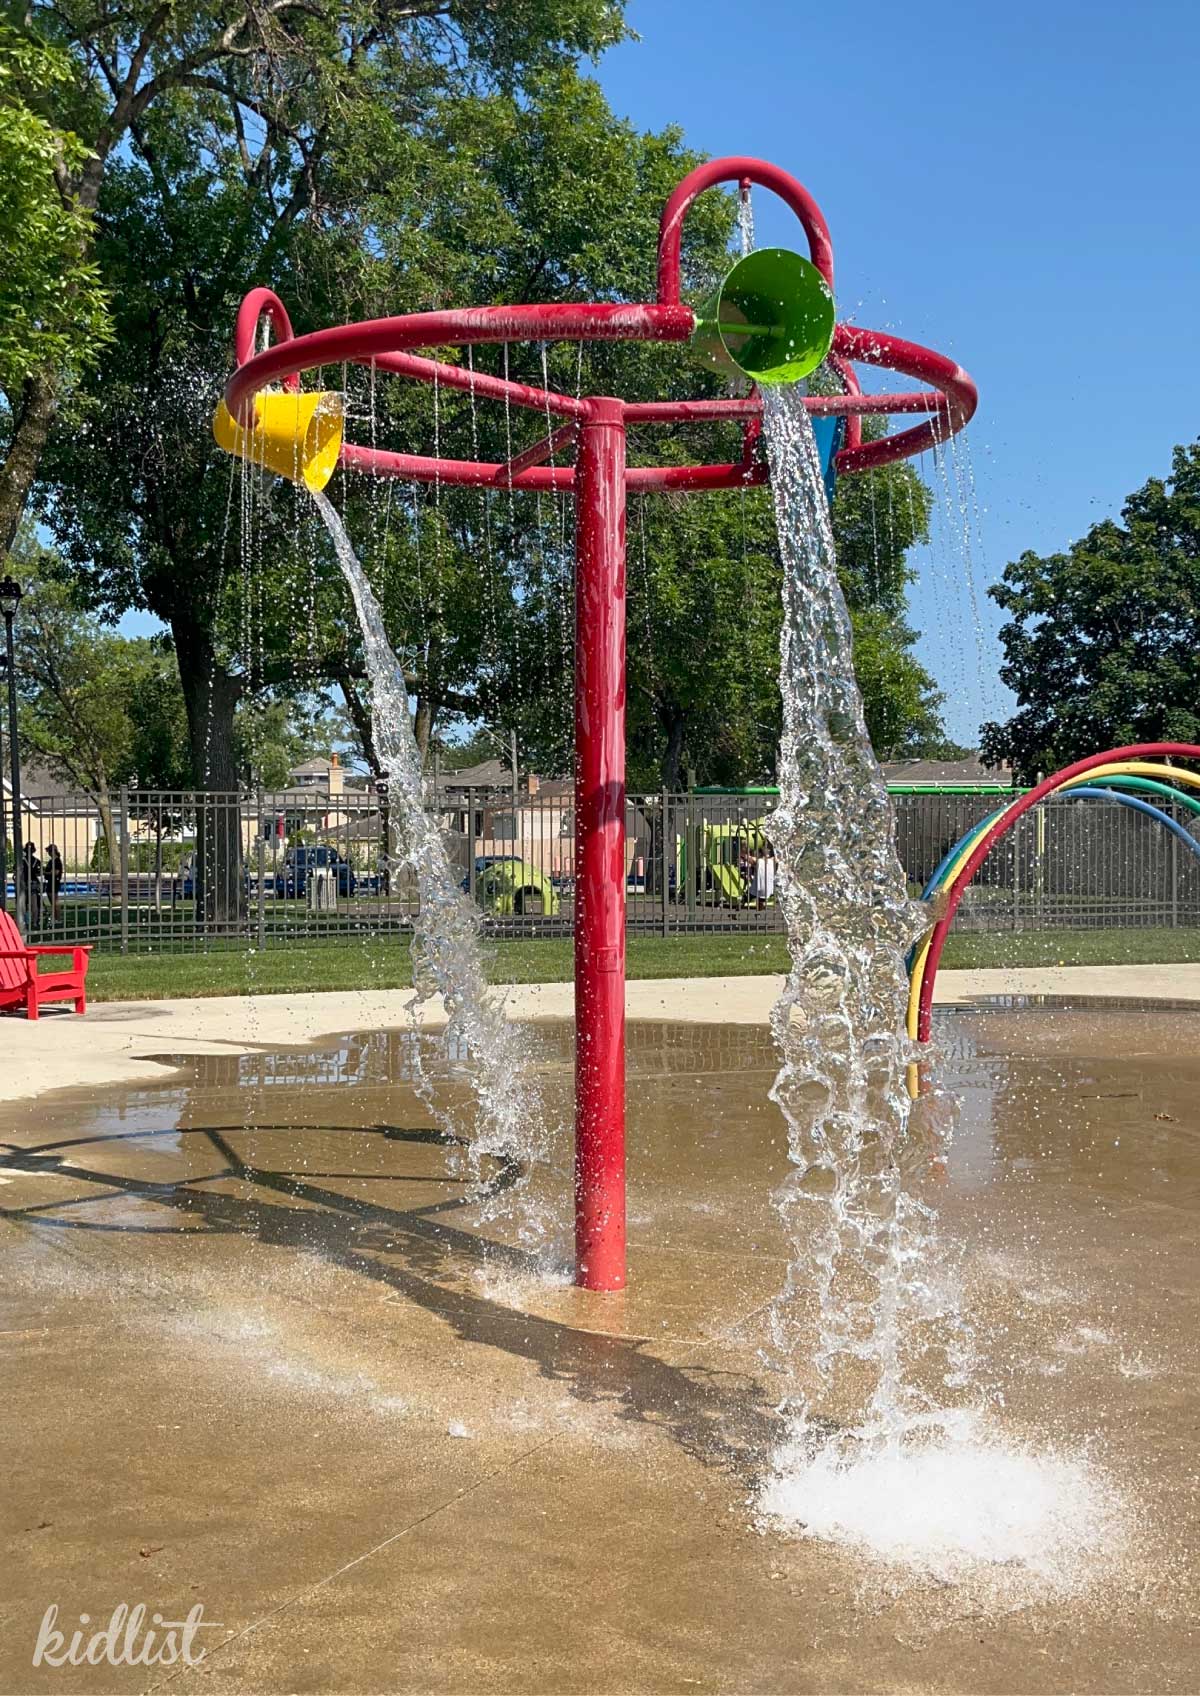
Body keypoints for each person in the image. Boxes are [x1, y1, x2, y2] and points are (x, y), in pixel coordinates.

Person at [19, 842, 42, 930]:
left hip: (24, 883)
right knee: (34, 904)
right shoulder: (37, 861)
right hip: (33, 882)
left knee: (24, 903)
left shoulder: (21, 860)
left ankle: (25, 921)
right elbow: (39, 873)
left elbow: (16, 871)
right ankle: (35, 922)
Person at [44, 843, 64, 922]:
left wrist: (44, 873)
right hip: (50, 882)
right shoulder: (51, 861)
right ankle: (55, 917)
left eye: (49, 851)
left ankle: (58, 918)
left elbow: (55, 872)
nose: (48, 853)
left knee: (55, 901)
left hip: (54, 882)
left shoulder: (57, 861)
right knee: (52, 902)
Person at [755, 840, 776, 911]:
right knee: (757, 896)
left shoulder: (772, 859)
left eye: (769, 848)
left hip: (768, 882)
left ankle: (759, 910)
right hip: (760, 882)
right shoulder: (759, 860)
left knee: (762, 897)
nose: (768, 850)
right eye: (766, 848)